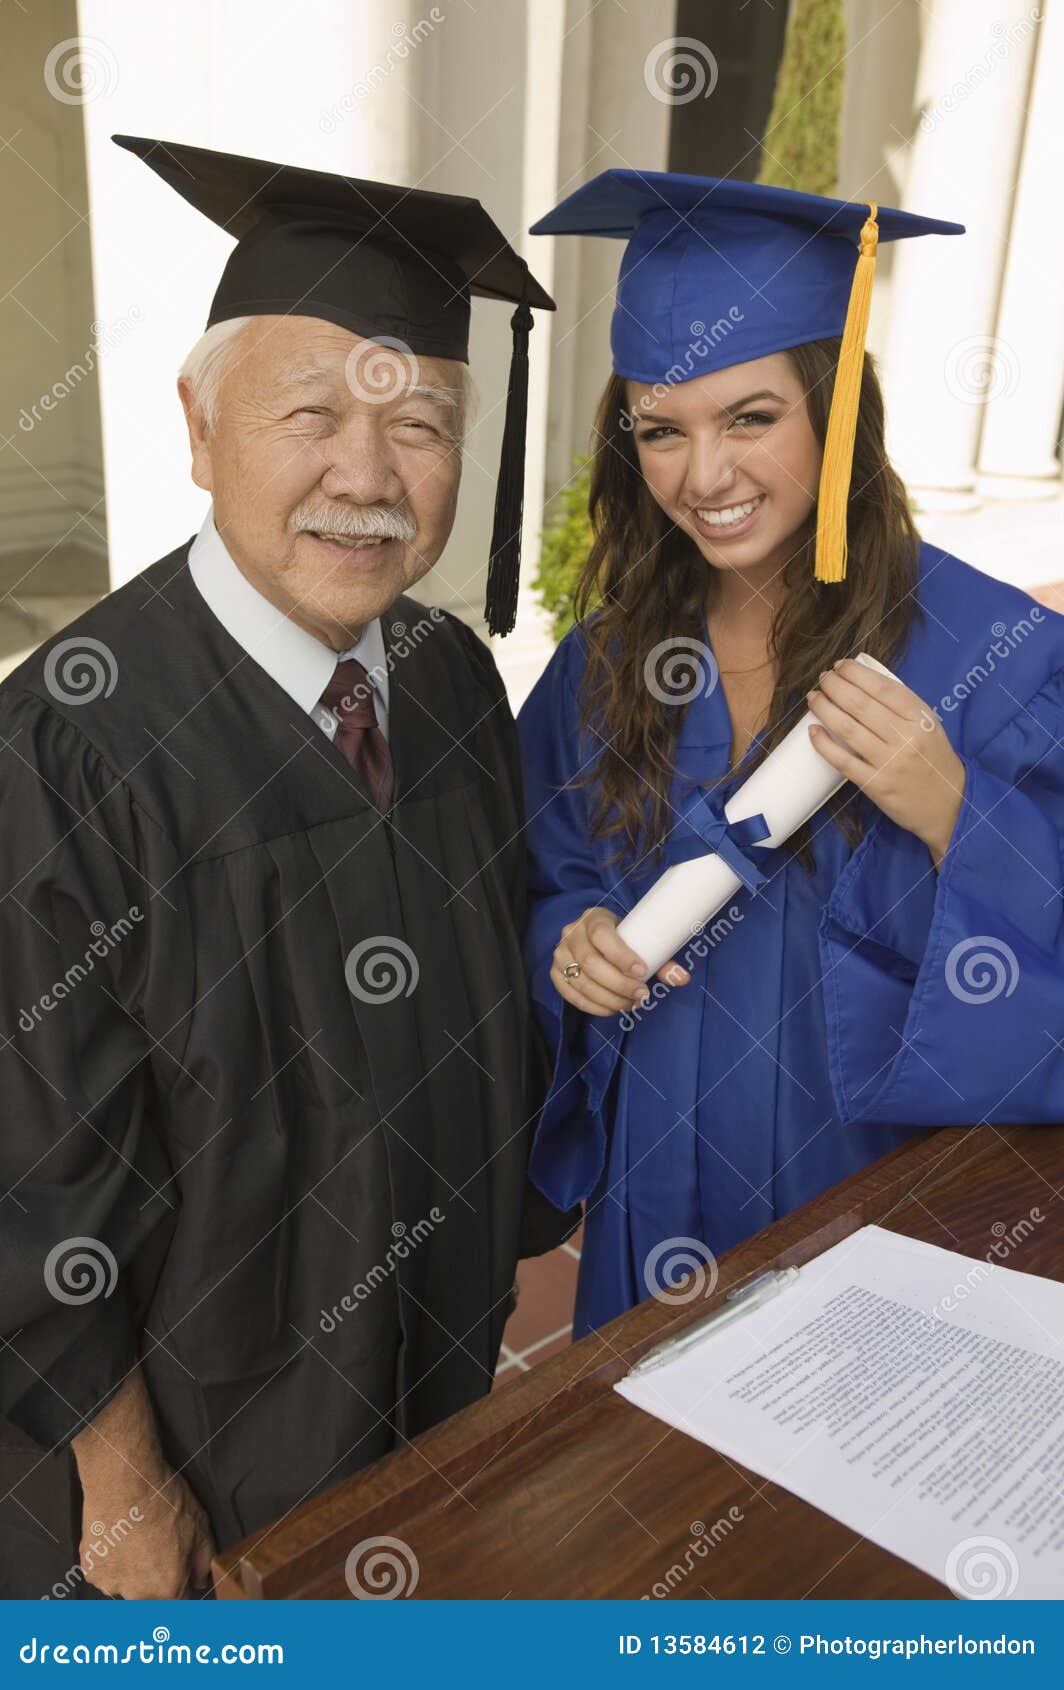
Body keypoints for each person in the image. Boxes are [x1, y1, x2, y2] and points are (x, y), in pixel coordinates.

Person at [0, 135, 573, 1600]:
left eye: (424, 426)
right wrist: (124, 1489)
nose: (367, 478)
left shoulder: (447, 682)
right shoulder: (63, 744)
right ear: (199, 431)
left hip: (418, 1389)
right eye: (308, 413)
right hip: (169, 1468)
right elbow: (29, 1168)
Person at [516, 170, 1064, 1337]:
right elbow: (549, 870)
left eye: (749, 418)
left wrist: (955, 814)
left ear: (834, 407)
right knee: (645, 1494)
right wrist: (568, 950)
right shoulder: (607, 662)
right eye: (660, 430)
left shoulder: (998, 656)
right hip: (651, 1197)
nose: (701, 477)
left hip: (870, 1198)